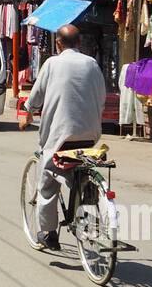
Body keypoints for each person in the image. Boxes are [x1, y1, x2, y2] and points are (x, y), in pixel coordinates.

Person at [24, 24, 107, 250]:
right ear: (79, 43)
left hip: (61, 137)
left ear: (58, 44)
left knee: (48, 182)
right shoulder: (92, 64)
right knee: (79, 169)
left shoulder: (52, 63)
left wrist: (27, 112)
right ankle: (87, 197)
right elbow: (101, 97)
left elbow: (36, 96)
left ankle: (49, 233)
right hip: (90, 136)